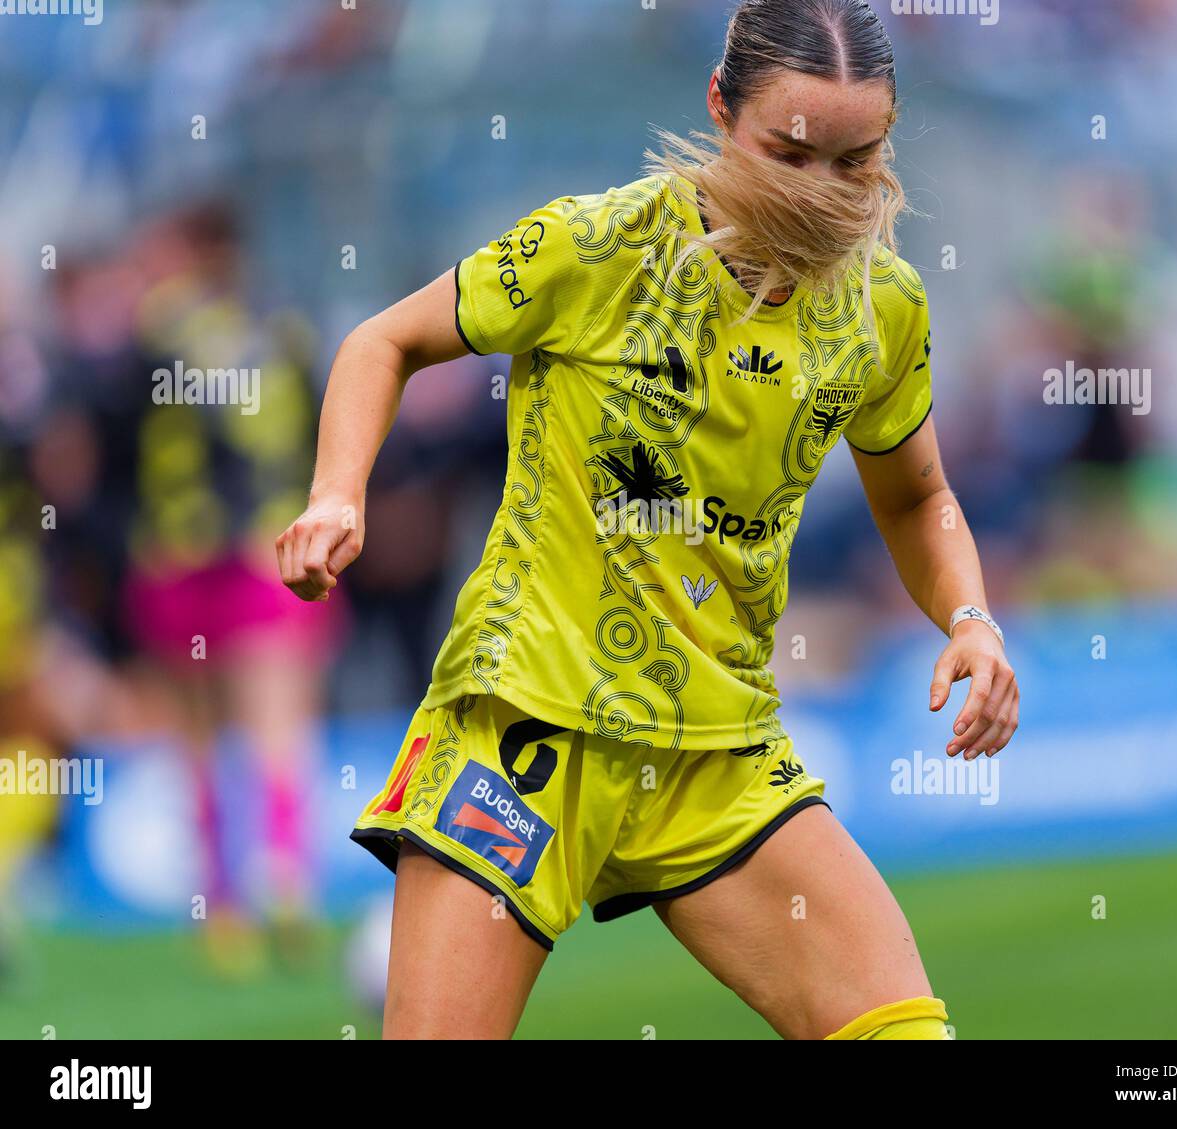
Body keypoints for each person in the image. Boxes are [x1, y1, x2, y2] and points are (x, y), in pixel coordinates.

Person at [278, 0, 1019, 1040]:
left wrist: (971, 619)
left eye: (857, 161)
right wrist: (335, 493)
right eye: (790, 155)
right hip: (526, 725)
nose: (824, 193)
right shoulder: (595, 246)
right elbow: (380, 341)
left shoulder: (880, 307)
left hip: (719, 750)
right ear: (719, 108)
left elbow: (918, 495)